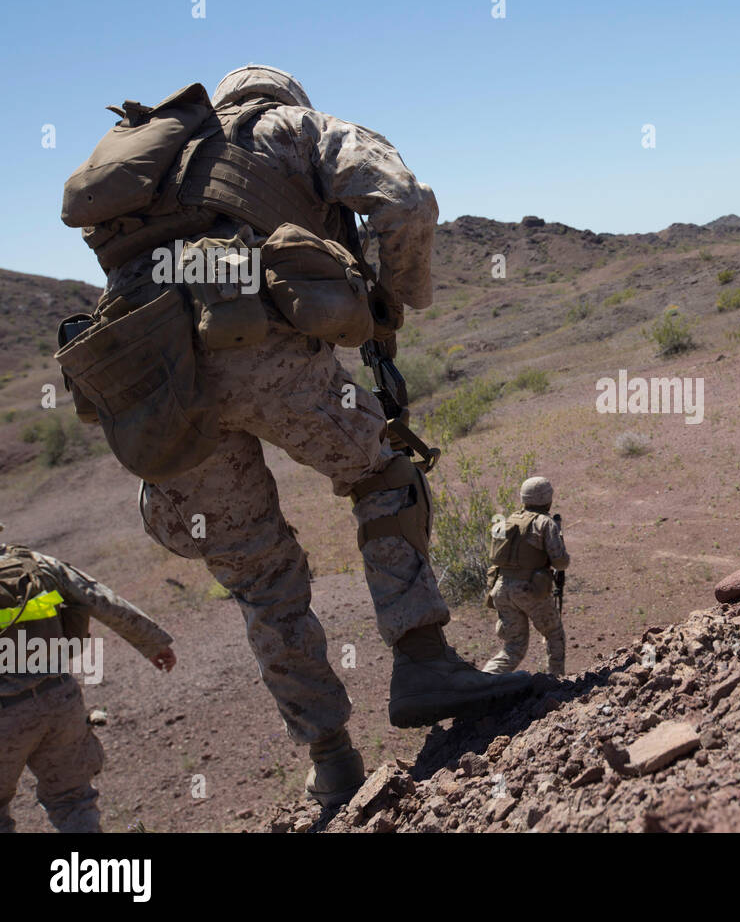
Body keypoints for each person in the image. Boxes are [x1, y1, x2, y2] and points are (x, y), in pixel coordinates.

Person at [60, 65, 533, 808]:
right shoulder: (289, 128)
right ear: (285, 96)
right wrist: (399, 296)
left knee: (257, 573)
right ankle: (424, 662)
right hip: (265, 348)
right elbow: (405, 199)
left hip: (158, 379)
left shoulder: (153, 170)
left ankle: (331, 756)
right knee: (383, 471)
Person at [0, 523, 175, 832]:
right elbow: (97, 597)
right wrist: (152, 643)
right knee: (72, 799)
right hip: (60, 699)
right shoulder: (35, 564)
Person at [483, 478, 570, 676]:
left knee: (513, 647)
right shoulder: (545, 523)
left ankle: (484, 681)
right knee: (554, 635)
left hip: (501, 590)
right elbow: (560, 562)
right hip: (529, 590)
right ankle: (557, 683)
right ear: (548, 499)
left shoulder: (509, 520)